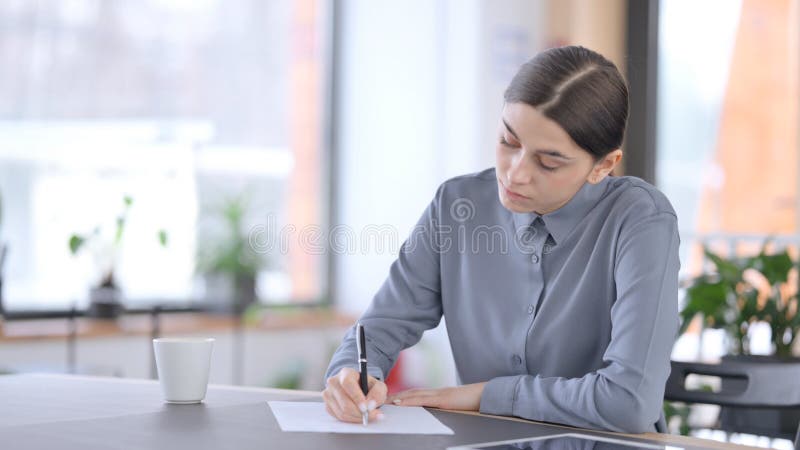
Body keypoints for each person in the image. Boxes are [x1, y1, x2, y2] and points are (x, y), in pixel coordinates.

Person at [322, 45, 680, 434]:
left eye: (548, 162)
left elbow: (629, 402)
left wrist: (488, 396)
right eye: (508, 141)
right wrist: (349, 375)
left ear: (604, 165)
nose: (515, 173)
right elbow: (377, 331)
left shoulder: (641, 220)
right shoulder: (456, 206)